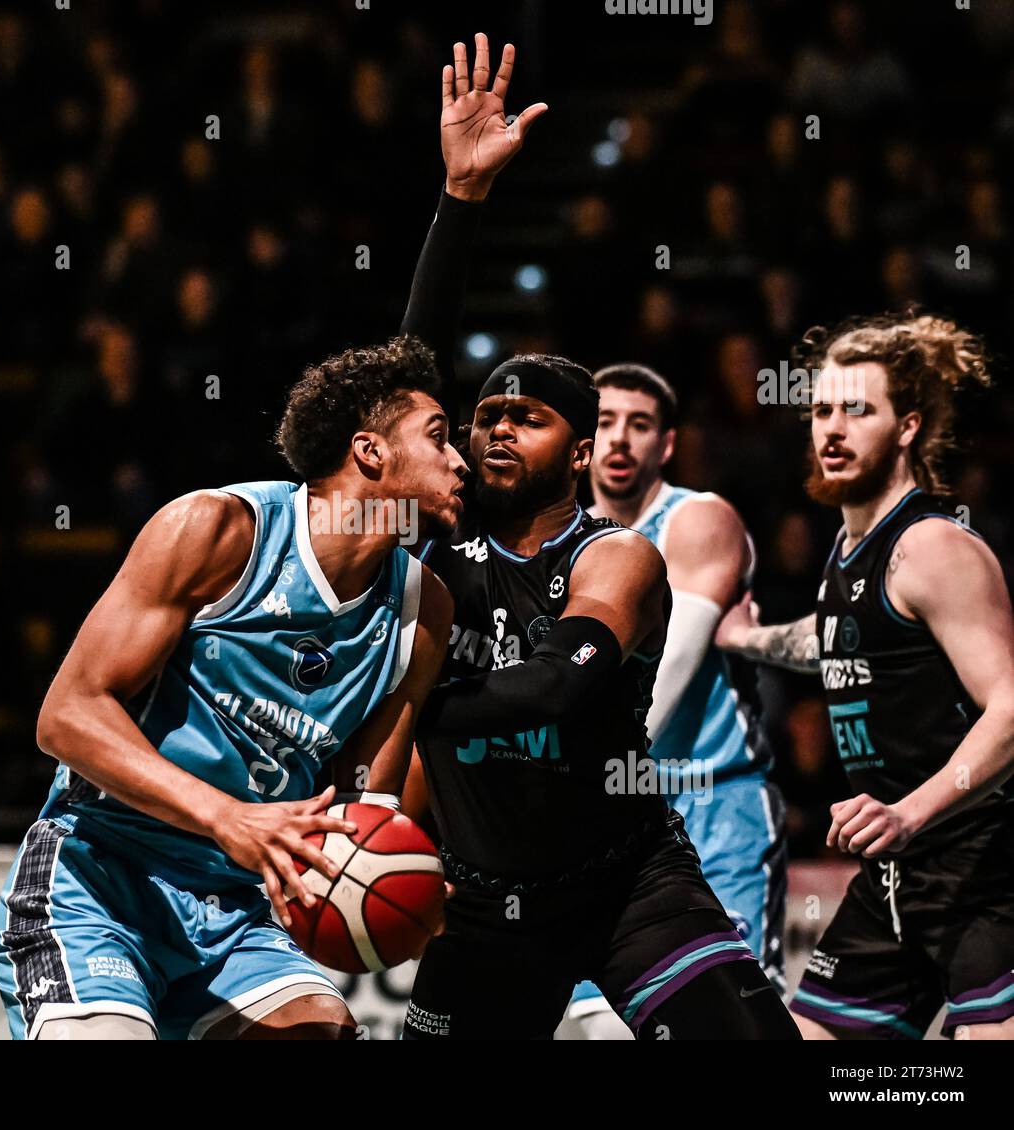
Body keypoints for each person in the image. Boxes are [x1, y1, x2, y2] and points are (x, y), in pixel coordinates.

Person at [377, 33, 798, 1040]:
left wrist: (405, 699)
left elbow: (557, 689)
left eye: (524, 418)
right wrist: (461, 197)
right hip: (487, 902)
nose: (494, 429)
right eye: (485, 416)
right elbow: (409, 376)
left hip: (628, 883)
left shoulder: (617, 555)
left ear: (577, 452)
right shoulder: (439, 540)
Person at [0, 335, 464, 1040]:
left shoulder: (424, 610)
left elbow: (363, 808)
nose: (460, 461)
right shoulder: (219, 530)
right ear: (371, 451)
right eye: (438, 438)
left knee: (324, 1032)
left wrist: (400, 883)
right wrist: (228, 818)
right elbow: (66, 715)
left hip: (234, 912)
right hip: (98, 877)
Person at [716, 313, 1014, 1040]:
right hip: (897, 876)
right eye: (822, 410)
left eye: (858, 410)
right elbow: (838, 642)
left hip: (987, 868)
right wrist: (748, 638)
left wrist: (907, 812)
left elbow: (1011, 708)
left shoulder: (931, 548)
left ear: (907, 426)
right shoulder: (851, 550)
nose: (833, 429)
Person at [562, 363, 786, 1040]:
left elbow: (662, 689)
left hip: (713, 804)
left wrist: (554, 785)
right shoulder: (561, 540)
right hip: (608, 816)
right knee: (604, 1031)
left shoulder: (697, 520)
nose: (620, 439)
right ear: (582, 440)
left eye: (640, 425)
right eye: (605, 422)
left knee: (732, 1028)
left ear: (666, 444)